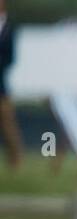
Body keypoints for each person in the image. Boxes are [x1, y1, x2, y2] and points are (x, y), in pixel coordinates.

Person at [0, 0, 20, 169]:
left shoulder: (10, 28)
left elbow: (11, 58)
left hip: (1, 86)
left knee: (7, 124)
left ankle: (15, 160)